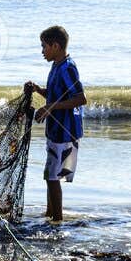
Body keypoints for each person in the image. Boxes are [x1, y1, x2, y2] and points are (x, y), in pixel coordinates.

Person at [23, 25, 86, 223]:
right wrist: (39, 90)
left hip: (65, 131)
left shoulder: (68, 67)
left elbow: (80, 98)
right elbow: (56, 94)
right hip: (55, 130)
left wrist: (50, 107)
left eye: (44, 47)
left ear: (56, 46)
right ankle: (50, 214)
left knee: (52, 176)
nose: (42, 51)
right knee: (50, 174)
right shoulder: (56, 65)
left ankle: (56, 219)